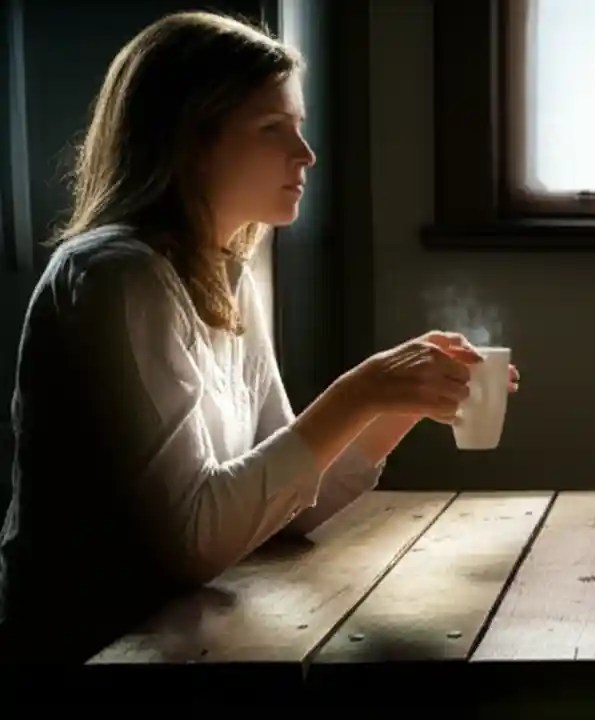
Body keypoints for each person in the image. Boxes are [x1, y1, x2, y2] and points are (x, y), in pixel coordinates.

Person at [0, 11, 519, 668]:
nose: (306, 155)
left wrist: (399, 402)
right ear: (190, 142)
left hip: (180, 641)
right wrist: (357, 393)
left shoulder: (224, 274)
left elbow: (285, 510)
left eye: (299, 129)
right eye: (274, 130)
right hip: (86, 657)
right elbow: (192, 542)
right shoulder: (116, 277)